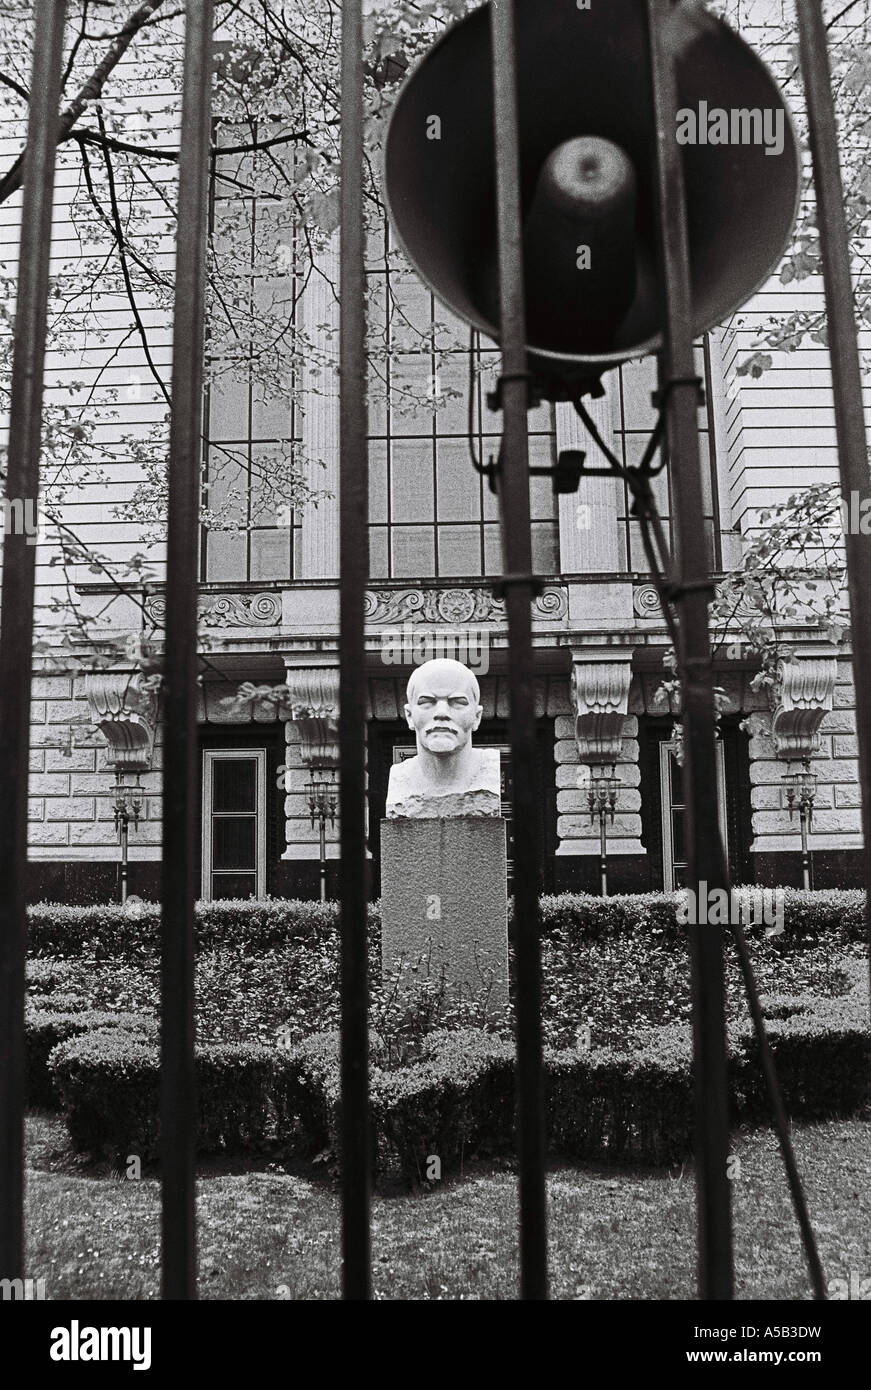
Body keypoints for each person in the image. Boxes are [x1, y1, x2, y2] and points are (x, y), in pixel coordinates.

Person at [386, 657, 501, 818]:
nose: (441, 712)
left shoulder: (489, 770)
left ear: (477, 717)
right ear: (409, 716)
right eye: (426, 701)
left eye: (457, 702)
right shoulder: (400, 778)